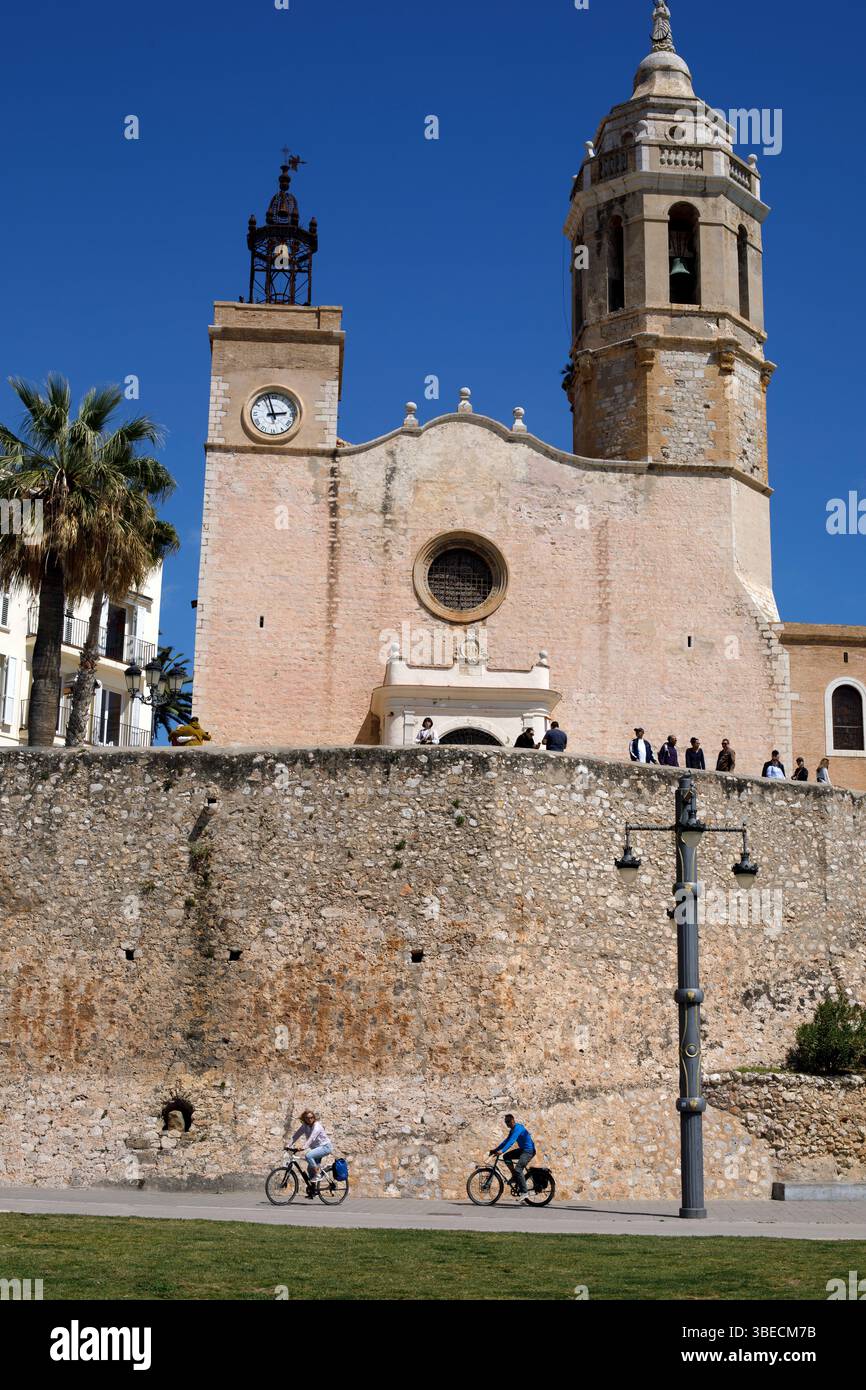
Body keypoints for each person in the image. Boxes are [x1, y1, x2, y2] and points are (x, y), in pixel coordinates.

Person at [490, 1112, 536, 1199]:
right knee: (506, 1156)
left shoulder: (518, 1128)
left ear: (513, 1120)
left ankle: (524, 1192)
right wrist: (495, 1150)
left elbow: (511, 1142)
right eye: (506, 1122)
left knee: (518, 1169)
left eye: (508, 1121)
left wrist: (502, 1151)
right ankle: (514, 1176)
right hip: (523, 1150)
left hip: (529, 1151)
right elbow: (506, 1141)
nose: (507, 1124)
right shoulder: (512, 1130)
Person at [290, 1109, 334, 1196]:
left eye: (311, 1117)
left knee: (308, 1155)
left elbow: (312, 1138)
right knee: (310, 1169)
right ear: (304, 1119)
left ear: (314, 1118)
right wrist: (288, 1145)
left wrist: (303, 1147)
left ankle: (318, 1174)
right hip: (317, 1149)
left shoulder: (317, 1126)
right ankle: (314, 1191)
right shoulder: (304, 1126)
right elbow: (296, 1135)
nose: (310, 1119)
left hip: (325, 1147)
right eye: (307, 1118)